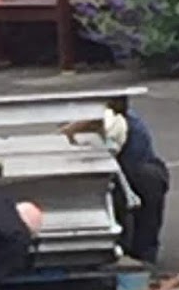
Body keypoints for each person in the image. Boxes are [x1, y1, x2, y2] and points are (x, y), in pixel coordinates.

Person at [62, 100, 169, 263]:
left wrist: (73, 129)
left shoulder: (124, 125)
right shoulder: (113, 122)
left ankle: (140, 254)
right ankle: (120, 249)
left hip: (137, 173)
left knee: (143, 189)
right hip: (128, 171)